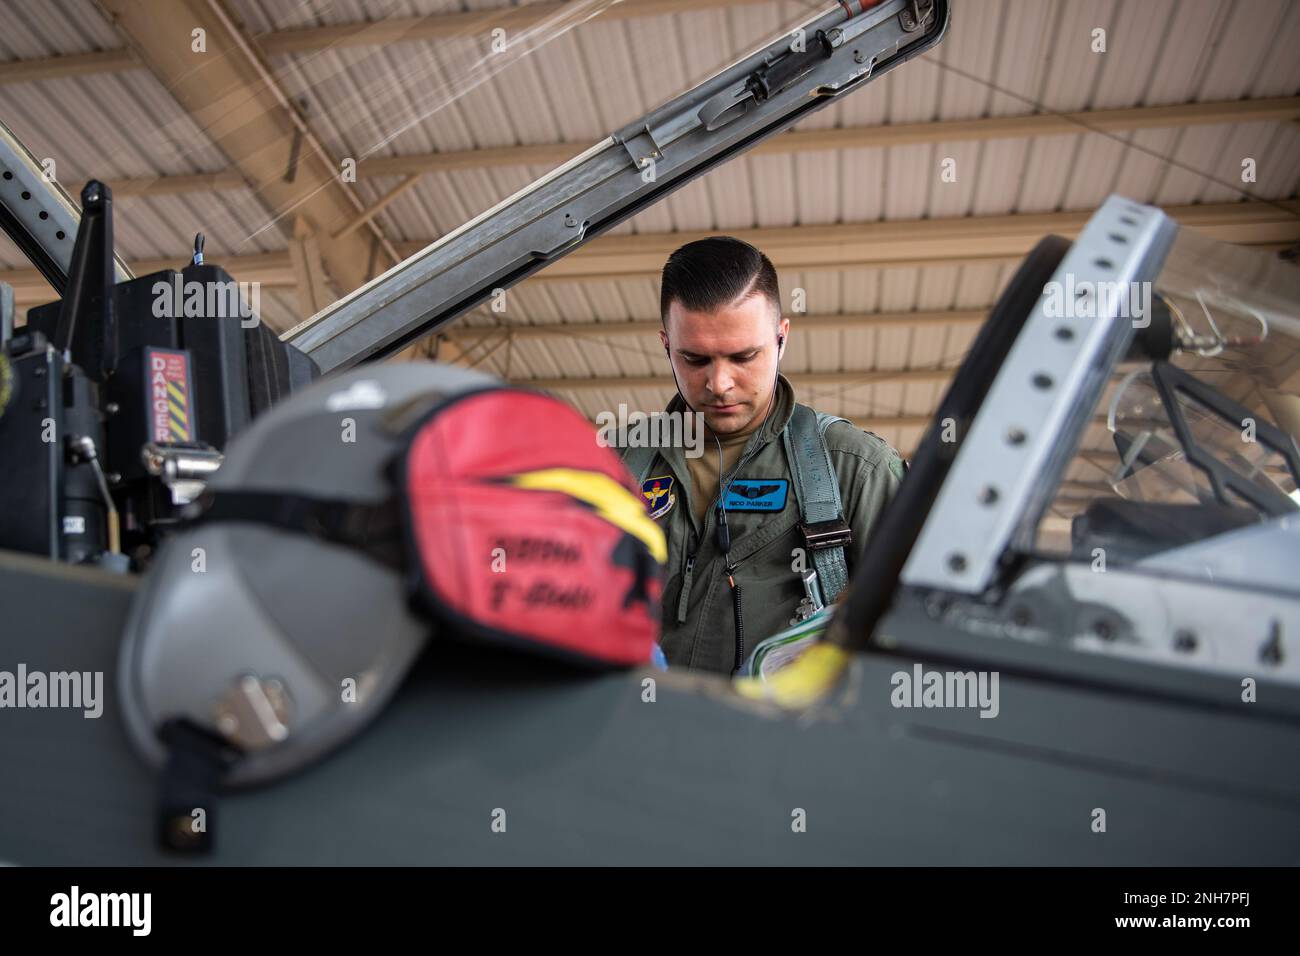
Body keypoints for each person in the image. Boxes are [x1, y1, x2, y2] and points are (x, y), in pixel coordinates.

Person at [618, 236, 907, 674]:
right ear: (665, 345)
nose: (719, 383)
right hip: (622, 734)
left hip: (780, 739)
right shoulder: (610, 465)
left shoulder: (856, 471)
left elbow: (916, 637)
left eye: (743, 356)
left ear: (781, 338)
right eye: (694, 359)